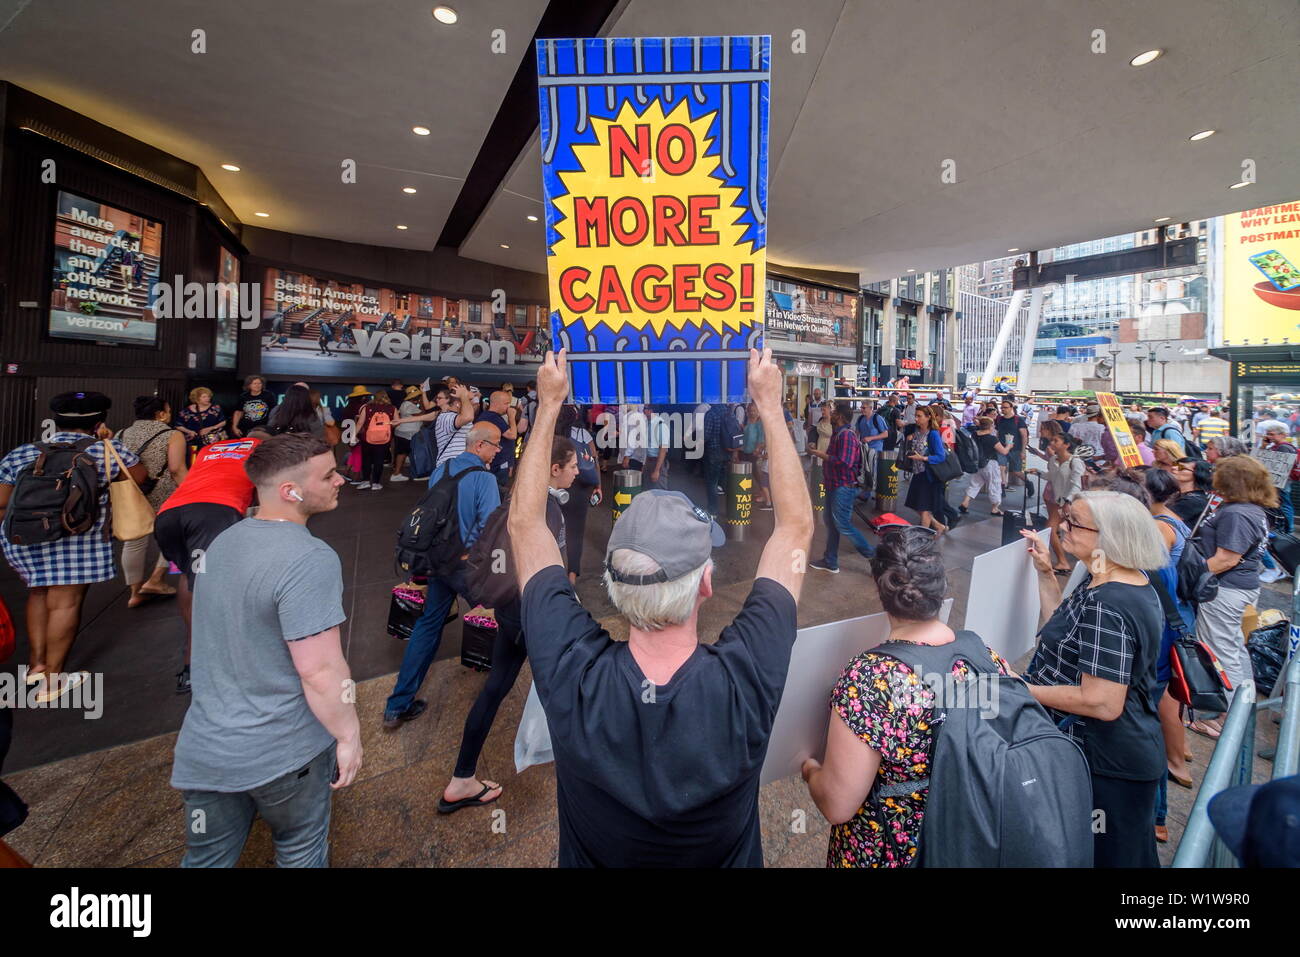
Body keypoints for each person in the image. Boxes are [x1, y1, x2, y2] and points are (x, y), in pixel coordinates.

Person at [508, 346, 811, 867]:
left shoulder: (571, 672)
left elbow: (524, 526)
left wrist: (548, 406)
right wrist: (770, 403)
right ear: (707, 585)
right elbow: (795, 529)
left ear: (614, 588)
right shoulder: (745, 678)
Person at [171, 433, 358, 867]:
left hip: (206, 747)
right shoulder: (310, 558)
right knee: (300, 850)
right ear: (291, 491)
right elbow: (321, 670)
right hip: (283, 750)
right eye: (329, 475)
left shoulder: (225, 541)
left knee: (206, 859)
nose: (340, 480)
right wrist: (348, 735)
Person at [801, 526, 1011, 866]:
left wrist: (811, 771)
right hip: (969, 842)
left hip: (893, 851)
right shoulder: (983, 656)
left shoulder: (871, 678)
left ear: (880, 589)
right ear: (941, 587)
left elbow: (837, 805)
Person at [1021, 491, 1167, 867]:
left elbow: (1102, 701)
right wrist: (1045, 571)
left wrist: (1019, 688)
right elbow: (1066, 632)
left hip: (1108, 764)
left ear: (1109, 538)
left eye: (1074, 522)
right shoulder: (1112, 579)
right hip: (1109, 756)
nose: (1062, 526)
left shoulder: (1110, 602)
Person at [439, 436, 577, 813]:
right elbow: (548, 572)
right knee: (569, 695)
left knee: (495, 688)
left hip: (510, 614)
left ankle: (462, 777)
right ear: (553, 469)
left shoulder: (515, 500)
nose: (578, 470)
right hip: (538, 618)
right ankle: (589, 781)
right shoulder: (547, 510)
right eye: (573, 465)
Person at [0, 392, 146, 701]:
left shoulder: (24, 452)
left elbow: (1, 502)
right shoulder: (106, 450)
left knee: (39, 592)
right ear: (99, 422)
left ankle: (36, 666)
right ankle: (52, 683)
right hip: (79, 538)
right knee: (65, 602)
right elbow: (139, 477)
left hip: (25, 538)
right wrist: (107, 442)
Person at [382, 422, 506, 729]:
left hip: (436, 562)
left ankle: (398, 704)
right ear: (479, 446)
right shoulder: (484, 478)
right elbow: (490, 528)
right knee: (506, 614)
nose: (499, 449)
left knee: (428, 625)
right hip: (465, 566)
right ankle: (502, 687)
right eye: (496, 444)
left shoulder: (442, 470)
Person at [155, 433, 264, 694]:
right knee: (212, 585)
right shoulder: (261, 448)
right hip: (213, 514)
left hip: (170, 513)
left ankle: (195, 660)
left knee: (189, 577)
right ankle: (196, 666)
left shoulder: (212, 449)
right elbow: (266, 489)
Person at [1189, 456, 1276, 738]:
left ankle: (1228, 718)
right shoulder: (1247, 510)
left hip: (1226, 589)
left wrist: (1191, 577)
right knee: (1233, 647)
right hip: (1235, 587)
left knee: (1220, 649)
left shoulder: (1238, 513)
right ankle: (1239, 705)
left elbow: (1226, 559)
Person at [1142, 468, 1196, 844]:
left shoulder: (1160, 528)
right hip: (1173, 615)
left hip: (1165, 621)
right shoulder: (1169, 519)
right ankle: (1179, 757)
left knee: (1159, 711)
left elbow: (1155, 576)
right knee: (1163, 707)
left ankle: (1174, 766)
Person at [118, 395, 188, 607]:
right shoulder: (172, 434)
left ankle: (135, 592)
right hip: (165, 493)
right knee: (174, 536)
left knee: (134, 541)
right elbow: (176, 469)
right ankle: (157, 579)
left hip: (134, 494)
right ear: (160, 414)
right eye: (167, 410)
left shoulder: (121, 434)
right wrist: (190, 490)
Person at [808, 402, 877, 572]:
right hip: (834, 485)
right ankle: (830, 561)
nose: (831, 414)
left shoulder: (846, 435)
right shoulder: (839, 433)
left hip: (843, 486)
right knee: (832, 523)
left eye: (834, 412)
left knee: (843, 525)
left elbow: (844, 462)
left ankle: (874, 556)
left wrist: (821, 455)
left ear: (840, 416)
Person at [1035, 430, 1085, 572]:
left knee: (1051, 529)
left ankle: (1063, 562)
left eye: (1056, 440)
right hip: (1060, 502)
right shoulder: (1053, 460)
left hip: (1070, 503)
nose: (1052, 443)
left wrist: (1068, 501)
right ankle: (1063, 561)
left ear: (1066, 444)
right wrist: (1038, 472)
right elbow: (1051, 476)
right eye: (1052, 440)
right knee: (1055, 529)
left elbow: (1077, 484)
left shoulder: (1075, 462)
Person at [901, 406, 950, 534]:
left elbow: (941, 456)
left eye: (919, 416)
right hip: (918, 473)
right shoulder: (917, 431)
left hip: (929, 476)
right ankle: (938, 526)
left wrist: (923, 458)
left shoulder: (933, 434)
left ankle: (924, 536)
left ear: (928, 417)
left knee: (924, 508)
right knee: (917, 506)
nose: (916, 418)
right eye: (916, 416)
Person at [959, 416, 1009, 515]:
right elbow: (1004, 452)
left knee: (975, 483)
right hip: (990, 464)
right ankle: (995, 508)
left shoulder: (974, 435)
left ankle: (965, 503)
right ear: (990, 426)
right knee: (994, 484)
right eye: (993, 425)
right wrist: (1009, 445)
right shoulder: (992, 438)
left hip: (977, 463)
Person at [702, 400, 741, 519]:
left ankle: (712, 511)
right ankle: (733, 510)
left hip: (714, 453)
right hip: (727, 452)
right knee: (725, 483)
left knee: (712, 483)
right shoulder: (729, 412)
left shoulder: (711, 414)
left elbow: (706, 435)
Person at [1260, 423, 1297, 532]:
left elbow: (1280, 465)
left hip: (1282, 481)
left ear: (1282, 435)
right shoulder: (1275, 447)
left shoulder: (1283, 447)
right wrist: (1263, 446)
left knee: (1284, 504)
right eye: (1267, 434)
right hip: (1278, 480)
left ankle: (1289, 529)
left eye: (1272, 434)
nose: (1269, 437)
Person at [355, 390, 395, 490]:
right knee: (379, 461)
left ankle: (366, 481)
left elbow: (360, 423)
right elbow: (396, 422)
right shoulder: (392, 408)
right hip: (384, 439)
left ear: (374, 397)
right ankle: (376, 483)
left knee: (367, 460)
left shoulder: (367, 408)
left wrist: (353, 436)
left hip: (367, 439)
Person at [176, 387, 227, 460]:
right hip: (194, 442)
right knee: (194, 461)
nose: (208, 398)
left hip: (213, 443)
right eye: (204, 397)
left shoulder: (215, 408)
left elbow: (223, 422)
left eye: (208, 396)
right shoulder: (186, 411)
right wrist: (189, 432)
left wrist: (211, 428)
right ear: (197, 398)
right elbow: (178, 425)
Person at [391, 385, 425, 482]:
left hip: (403, 432)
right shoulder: (409, 405)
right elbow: (422, 415)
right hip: (407, 433)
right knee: (403, 453)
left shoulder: (406, 404)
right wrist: (423, 401)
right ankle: (397, 473)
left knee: (402, 453)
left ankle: (397, 472)